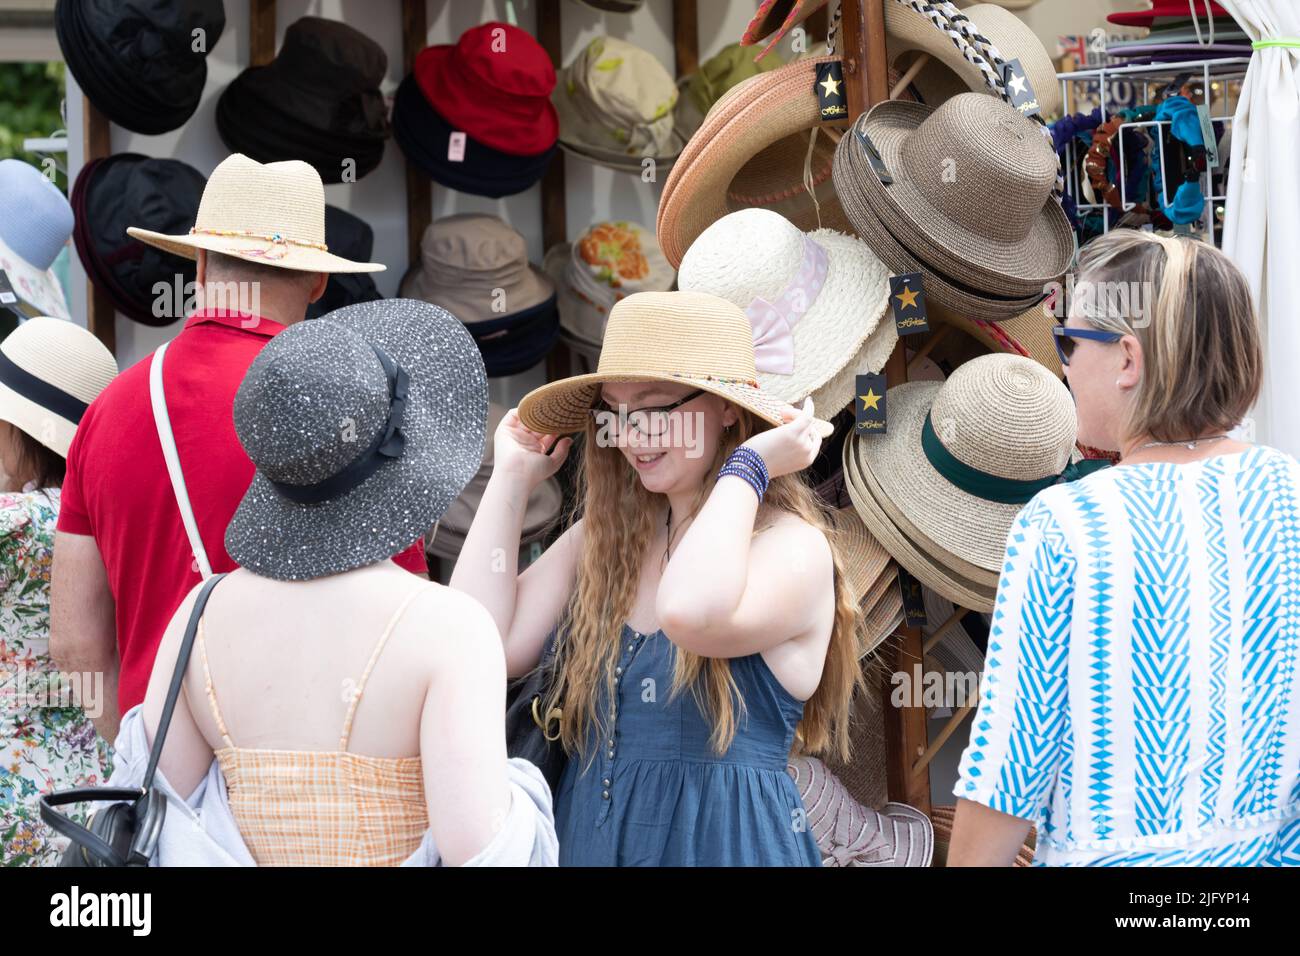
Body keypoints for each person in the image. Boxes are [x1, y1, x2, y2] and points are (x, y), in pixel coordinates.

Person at [113, 299, 556, 866]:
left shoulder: (198, 614)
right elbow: (482, 849)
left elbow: (163, 810)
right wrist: (521, 784)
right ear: (410, 458)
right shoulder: (448, 628)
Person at [452, 290, 863, 866]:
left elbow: (690, 612)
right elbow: (474, 642)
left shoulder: (792, 548)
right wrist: (513, 477)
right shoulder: (613, 537)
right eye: (614, 413)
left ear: (726, 408)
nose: (628, 435)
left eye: (653, 408)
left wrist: (750, 464)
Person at [50, 155, 427, 746]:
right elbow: (407, 618)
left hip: (164, 778)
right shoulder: (356, 409)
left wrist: (139, 743)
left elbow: (74, 645)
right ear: (319, 280)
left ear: (198, 266)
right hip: (313, 771)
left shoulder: (109, 410)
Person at [950, 230, 1299, 866]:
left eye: (1069, 341)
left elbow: (1011, 762)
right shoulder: (1289, 494)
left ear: (1128, 360)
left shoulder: (1066, 523)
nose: (1062, 363)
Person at [0, 317, 117, 865]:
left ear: (16, 430)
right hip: (99, 778)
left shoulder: (13, 521)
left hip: (13, 781)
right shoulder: (108, 517)